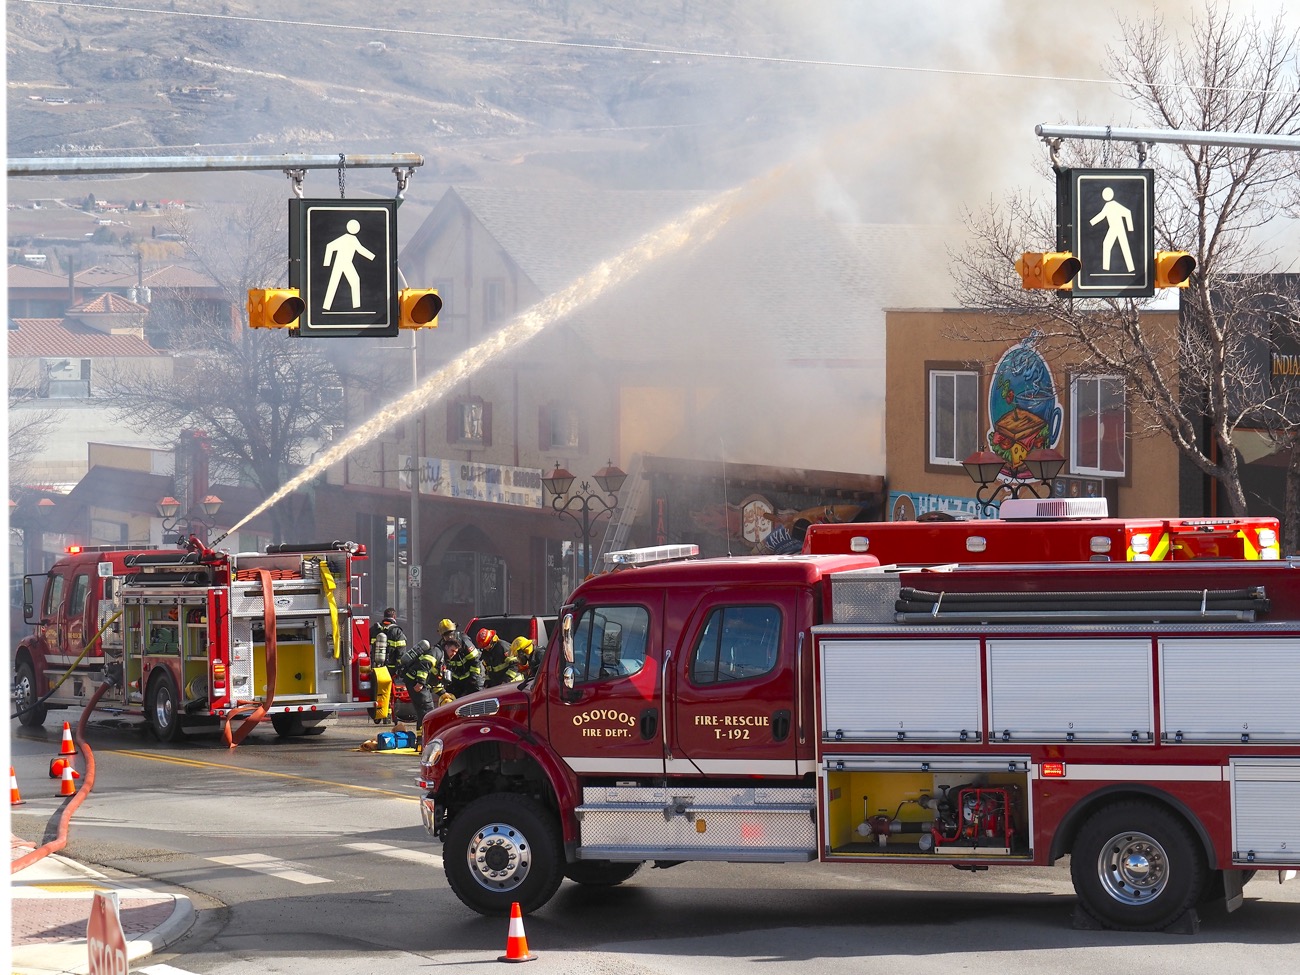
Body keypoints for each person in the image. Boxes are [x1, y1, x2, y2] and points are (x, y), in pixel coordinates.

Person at [368, 607, 407, 725]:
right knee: (388, 690)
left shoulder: (374, 628)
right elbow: (401, 651)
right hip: (390, 667)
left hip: (376, 665)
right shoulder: (397, 632)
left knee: (376, 688)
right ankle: (388, 713)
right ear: (394, 617)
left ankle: (377, 713)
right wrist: (400, 667)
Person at [403, 639, 445, 729]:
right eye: (453, 650)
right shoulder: (437, 653)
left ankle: (421, 737)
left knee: (424, 711)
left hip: (416, 681)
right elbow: (424, 665)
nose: (453, 653)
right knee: (427, 710)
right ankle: (422, 738)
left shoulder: (442, 658)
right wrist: (420, 682)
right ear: (447, 647)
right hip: (415, 681)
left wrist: (443, 693)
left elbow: (433, 681)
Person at [440, 621, 486, 698]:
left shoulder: (464, 641)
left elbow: (476, 660)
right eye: (446, 635)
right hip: (456, 679)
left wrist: (473, 679)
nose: (449, 637)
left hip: (473, 677)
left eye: (451, 633)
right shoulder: (443, 645)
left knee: (476, 699)